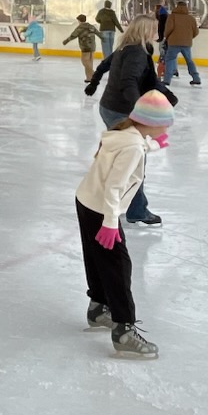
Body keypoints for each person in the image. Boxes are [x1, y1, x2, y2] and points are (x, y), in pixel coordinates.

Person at [74, 90, 174, 358]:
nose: (168, 128)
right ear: (151, 123)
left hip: (86, 199)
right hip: (101, 208)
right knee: (119, 266)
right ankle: (124, 330)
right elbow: (115, 187)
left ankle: (98, 309)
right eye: (166, 123)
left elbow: (136, 145)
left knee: (97, 260)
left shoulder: (124, 134)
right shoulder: (132, 147)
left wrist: (155, 145)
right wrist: (109, 223)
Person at [85, 15, 169, 226]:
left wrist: (93, 84)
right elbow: (129, 82)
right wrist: (139, 112)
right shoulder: (136, 53)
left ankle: (116, 204)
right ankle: (136, 210)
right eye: (154, 28)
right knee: (134, 162)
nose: (157, 31)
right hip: (121, 112)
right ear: (146, 30)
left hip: (110, 107)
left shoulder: (127, 48)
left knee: (123, 158)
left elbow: (104, 65)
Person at [160, 1, 202, 87]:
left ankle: (167, 79)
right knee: (189, 61)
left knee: (170, 60)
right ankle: (196, 78)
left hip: (173, 42)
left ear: (177, 6)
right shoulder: (191, 18)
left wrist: (166, 37)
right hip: (187, 43)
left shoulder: (172, 17)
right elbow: (196, 32)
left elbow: (168, 29)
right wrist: (189, 37)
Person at [64, 14, 100, 79]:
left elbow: (73, 36)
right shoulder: (91, 26)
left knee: (85, 61)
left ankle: (94, 74)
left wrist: (66, 41)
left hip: (85, 46)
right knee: (90, 62)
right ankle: (89, 78)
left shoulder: (80, 27)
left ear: (79, 20)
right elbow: (98, 33)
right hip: (92, 46)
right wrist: (103, 38)